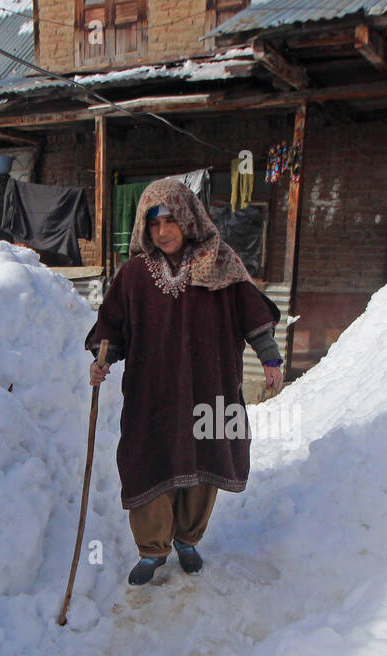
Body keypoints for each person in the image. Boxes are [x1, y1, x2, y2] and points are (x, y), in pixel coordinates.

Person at [85, 178, 285, 586]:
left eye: (171, 221)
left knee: (204, 458)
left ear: (189, 220)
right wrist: (102, 358)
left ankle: (188, 540)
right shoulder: (134, 275)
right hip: (150, 392)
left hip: (210, 384)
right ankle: (152, 549)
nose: (163, 231)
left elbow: (252, 313)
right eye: (154, 223)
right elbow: (112, 326)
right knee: (149, 460)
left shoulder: (220, 262)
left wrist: (270, 358)